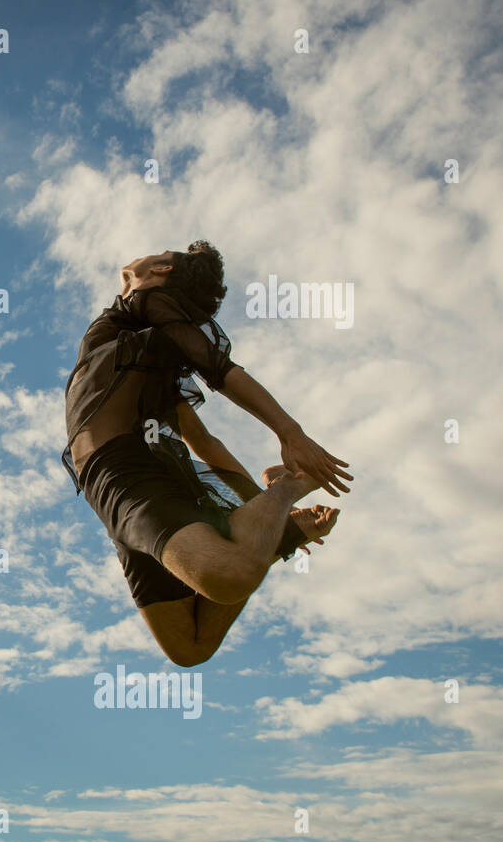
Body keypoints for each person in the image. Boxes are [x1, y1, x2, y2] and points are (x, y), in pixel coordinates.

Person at [62, 242, 352, 666]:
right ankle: (277, 531)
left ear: (162, 268)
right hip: (108, 493)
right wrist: (256, 505)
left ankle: (284, 494)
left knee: (230, 576)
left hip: (129, 474)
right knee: (190, 648)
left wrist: (289, 432)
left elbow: (217, 368)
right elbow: (203, 442)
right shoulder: (142, 350)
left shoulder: (148, 300)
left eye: (164, 252)